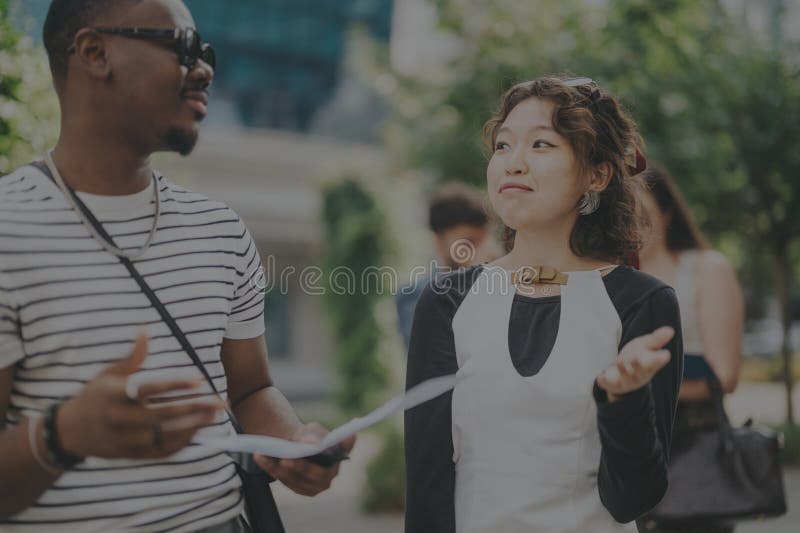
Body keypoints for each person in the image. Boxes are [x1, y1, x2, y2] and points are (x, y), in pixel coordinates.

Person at [0, 1, 353, 531]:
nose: (206, 69)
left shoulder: (222, 229)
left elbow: (251, 390)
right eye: (183, 48)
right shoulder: (9, 228)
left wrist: (294, 443)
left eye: (206, 52)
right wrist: (62, 433)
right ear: (95, 53)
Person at [404, 76, 683, 533]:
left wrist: (622, 400)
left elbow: (633, 498)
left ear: (597, 174)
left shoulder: (643, 303)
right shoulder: (447, 301)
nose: (512, 163)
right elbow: (427, 487)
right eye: (502, 146)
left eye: (540, 145)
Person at [638, 164, 744, 533]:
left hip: (691, 440)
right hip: (623, 444)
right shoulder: (605, 276)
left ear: (666, 212)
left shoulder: (706, 270)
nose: (631, 227)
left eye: (642, 215)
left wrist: (633, 386)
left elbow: (725, 375)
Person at [395, 183, 501, 349]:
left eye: (484, 241)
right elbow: (428, 355)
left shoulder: (497, 284)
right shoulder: (414, 294)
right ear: (438, 242)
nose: (481, 252)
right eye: (469, 243)